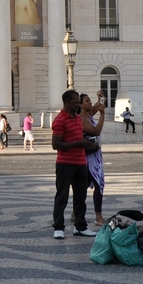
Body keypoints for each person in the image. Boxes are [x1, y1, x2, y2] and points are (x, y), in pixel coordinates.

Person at [51, 90, 97, 239]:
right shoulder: (59, 120)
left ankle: (80, 226)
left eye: (78, 102)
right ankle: (58, 227)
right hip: (65, 163)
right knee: (62, 196)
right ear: (66, 102)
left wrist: (88, 144)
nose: (77, 105)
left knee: (80, 197)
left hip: (80, 162)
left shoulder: (77, 119)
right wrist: (79, 143)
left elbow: (78, 138)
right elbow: (56, 144)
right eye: (75, 102)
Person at [81, 93, 108, 226]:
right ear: (80, 104)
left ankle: (75, 212)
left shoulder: (89, 114)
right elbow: (96, 131)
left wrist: (101, 98)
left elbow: (99, 105)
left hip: (95, 154)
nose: (90, 102)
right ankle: (98, 216)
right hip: (88, 156)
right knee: (98, 183)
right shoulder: (81, 118)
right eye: (87, 101)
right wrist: (102, 115)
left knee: (84, 185)